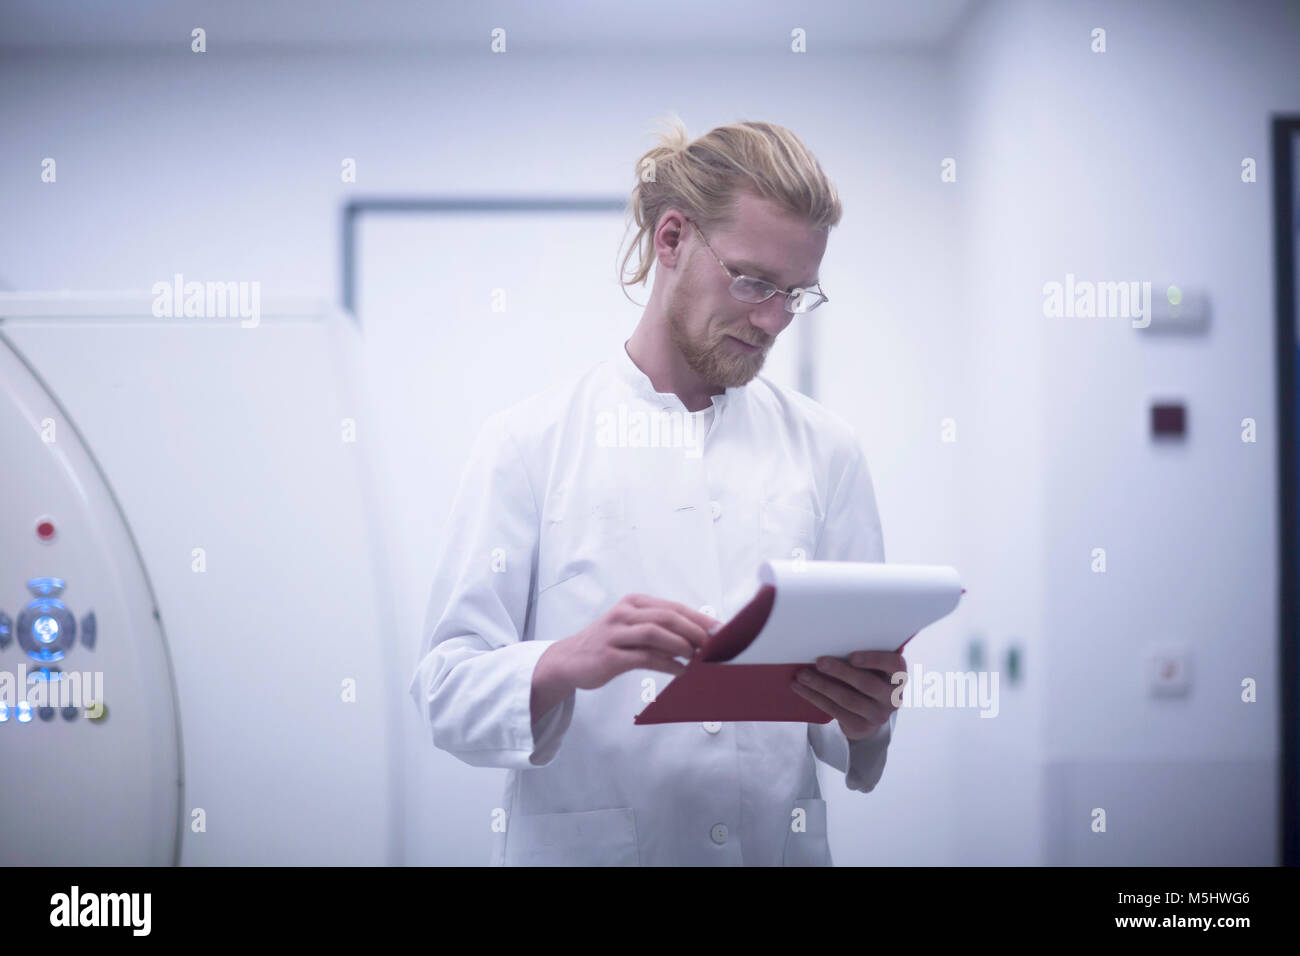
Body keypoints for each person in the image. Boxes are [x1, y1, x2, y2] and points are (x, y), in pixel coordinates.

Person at [408, 114, 905, 866]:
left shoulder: (827, 452)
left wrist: (870, 714)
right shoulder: (529, 443)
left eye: (795, 295)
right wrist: (566, 660)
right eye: (752, 281)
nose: (772, 320)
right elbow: (446, 691)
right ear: (671, 239)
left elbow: (850, 720)